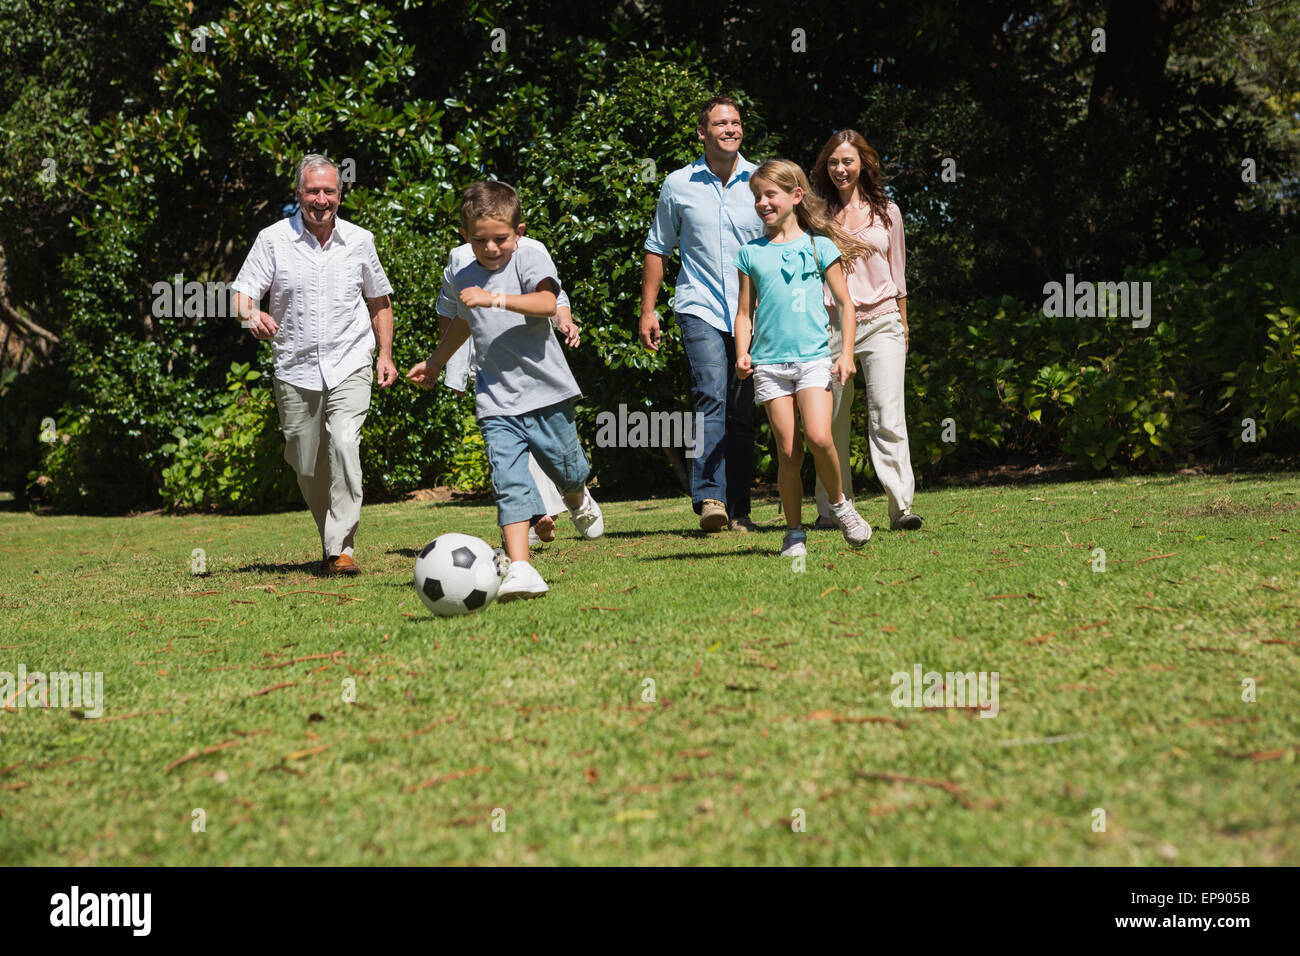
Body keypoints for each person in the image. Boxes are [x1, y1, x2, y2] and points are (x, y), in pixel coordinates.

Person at [406, 181, 602, 600]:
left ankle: (576, 494)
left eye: (500, 239)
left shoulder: (531, 255)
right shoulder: (464, 275)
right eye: (480, 241)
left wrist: (494, 299)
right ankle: (522, 568)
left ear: (519, 232)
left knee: (569, 469)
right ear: (465, 236)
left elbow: (548, 303)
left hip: (546, 391)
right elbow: (463, 321)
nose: (491, 248)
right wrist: (436, 362)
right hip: (496, 398)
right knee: (509, 481)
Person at [232, 153, 396, 576]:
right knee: (304, 462)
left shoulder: (360, 240)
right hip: (294, 365)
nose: (321, 199)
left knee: (344, 441)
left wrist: (385, 354)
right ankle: (332, 539)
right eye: (313, 191)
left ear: (340, 194)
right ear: (298, 194)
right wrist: (251, 316)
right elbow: (243, 293)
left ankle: (341, 549)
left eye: (329, 191)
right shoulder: (272, 240)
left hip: (350, 360)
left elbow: (379, 302)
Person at [733, 159, 875, 557]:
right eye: (757, 196)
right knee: (789, 452)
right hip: (770, 365)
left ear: (796, 196)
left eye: (770, 194)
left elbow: (847, 305)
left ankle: (841, 505)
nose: (762, 202)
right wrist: (742, 352)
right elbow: (744, 314)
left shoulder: (819, 246)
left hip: (814, 359)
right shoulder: (750, 254)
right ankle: (794, 533)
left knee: (818, 436)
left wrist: (846, 354)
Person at [640, 95, 764, 533]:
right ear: (702, 132)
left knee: (742, 408)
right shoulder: (678, 184)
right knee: (710, 391)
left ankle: (740, 508)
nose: (730, 129)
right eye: (720, 123)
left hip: (753, 312)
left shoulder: (761, 181)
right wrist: (648, 310)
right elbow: (658, 246)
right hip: (699, 305)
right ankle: (710, 497)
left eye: (735, 122)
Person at [809, 130, 922, 531]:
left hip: (881, 321)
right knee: (830, 422)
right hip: (829, 326)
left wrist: (903, 323)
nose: (840, 169)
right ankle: (832, 509)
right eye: (834, 162)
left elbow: (899, 273)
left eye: (848, 161)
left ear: (863, 164)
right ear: (825, 166)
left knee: (887, 414)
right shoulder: (814, 214)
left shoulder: (887, 211)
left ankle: (901, 508)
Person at [439, 241, 578, 548]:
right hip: (492, 371)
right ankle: (530, 523)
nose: (489, 244)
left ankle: (561, 500)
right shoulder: (460, 258)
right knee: (507, 453)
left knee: (546, 449)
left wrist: (565, 321)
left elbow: (554, 296)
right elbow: (452, 312)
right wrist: (451, 369)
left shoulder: (531, 251)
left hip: (534, 368)